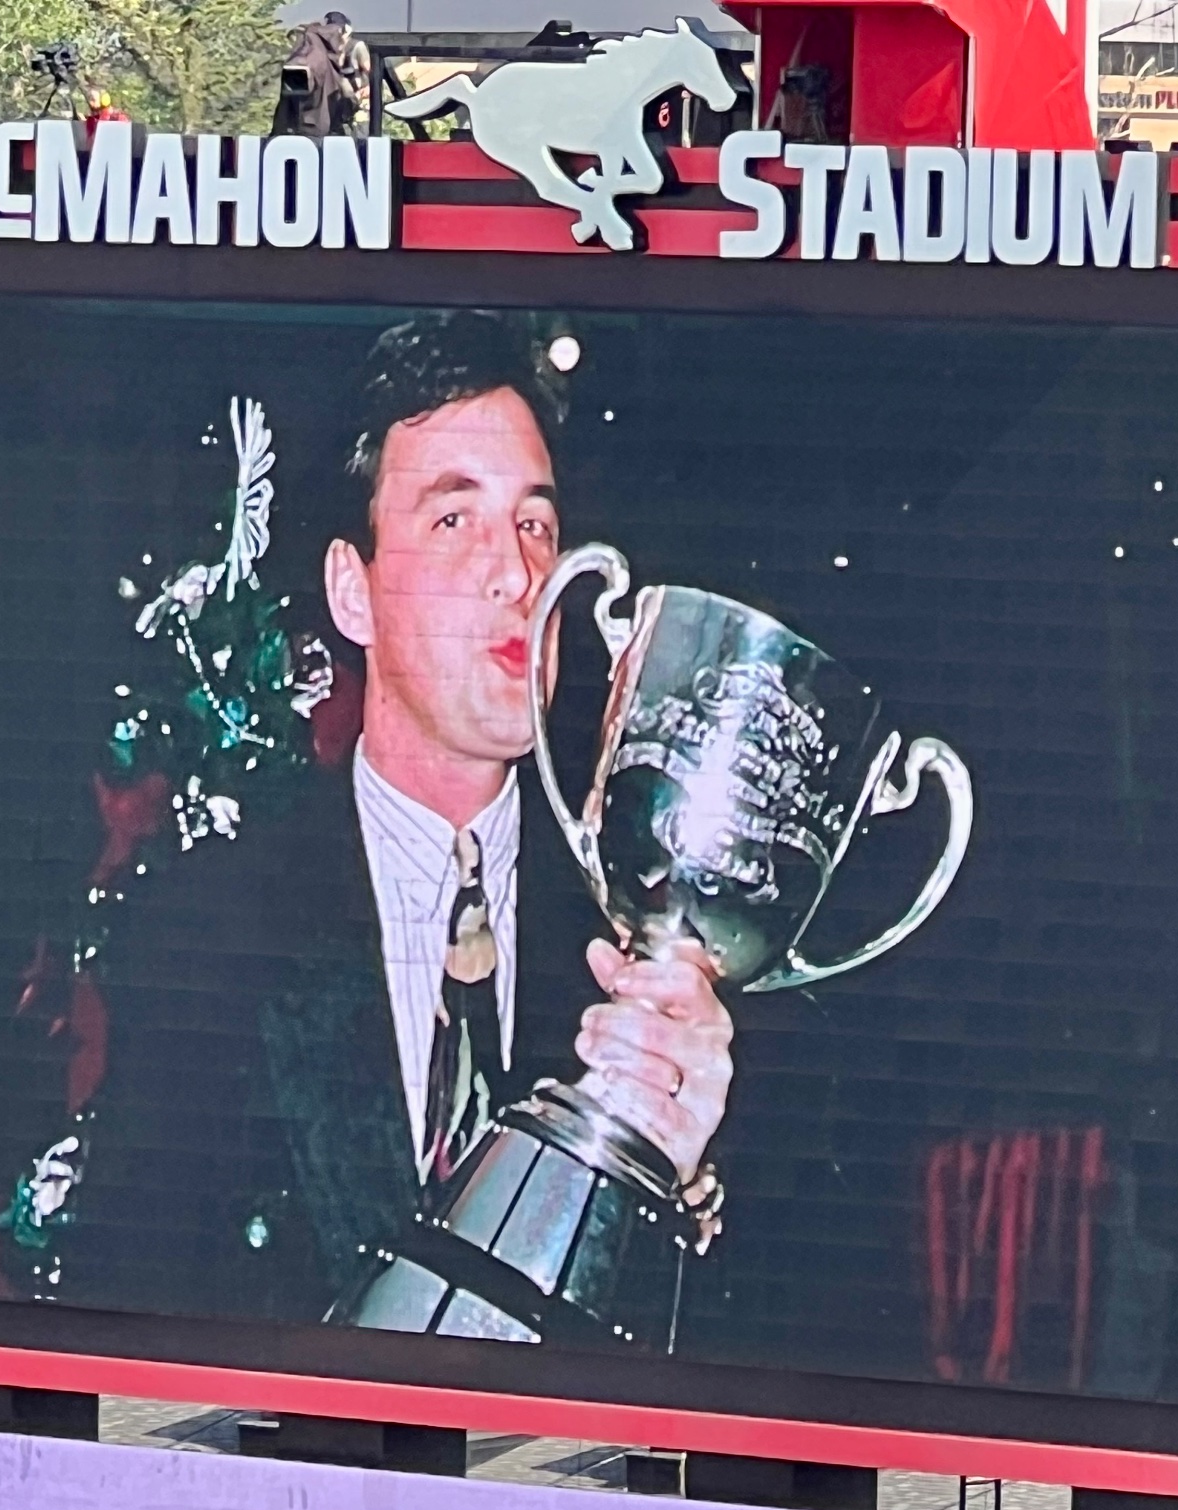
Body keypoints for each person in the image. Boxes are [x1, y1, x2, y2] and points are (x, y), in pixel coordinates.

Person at [69, 312, 734, 1332]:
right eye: (453, 519)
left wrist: (676, 1183)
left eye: (535, 524)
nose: (517, 575)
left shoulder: (658, 950)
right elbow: (127, 1320)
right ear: (354, 588)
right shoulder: (208, 929)